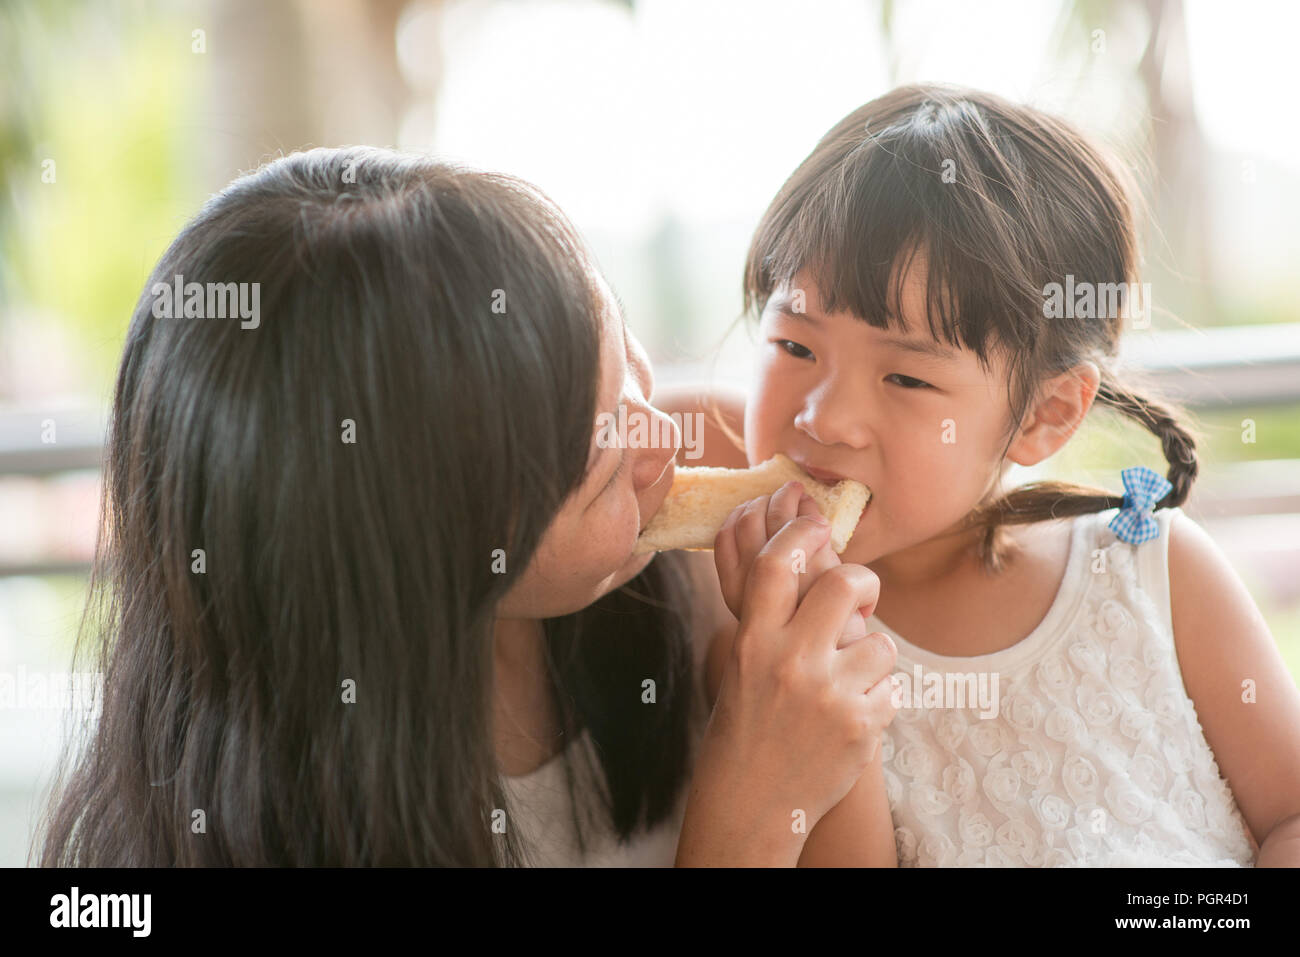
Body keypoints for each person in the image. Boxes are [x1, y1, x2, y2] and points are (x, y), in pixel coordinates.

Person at [36, 146, 897, 866]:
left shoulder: (701, 529)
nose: (665, 441)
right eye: (599, 461)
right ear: (420, 563)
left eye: (623, 359)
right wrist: (750, 805)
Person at [703, 84, 1300, 866]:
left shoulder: (1151, 565)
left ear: (1043, 415)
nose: (823, 417)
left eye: (906, 380)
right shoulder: (769, 658)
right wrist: (817, 640)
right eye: (795, 348)